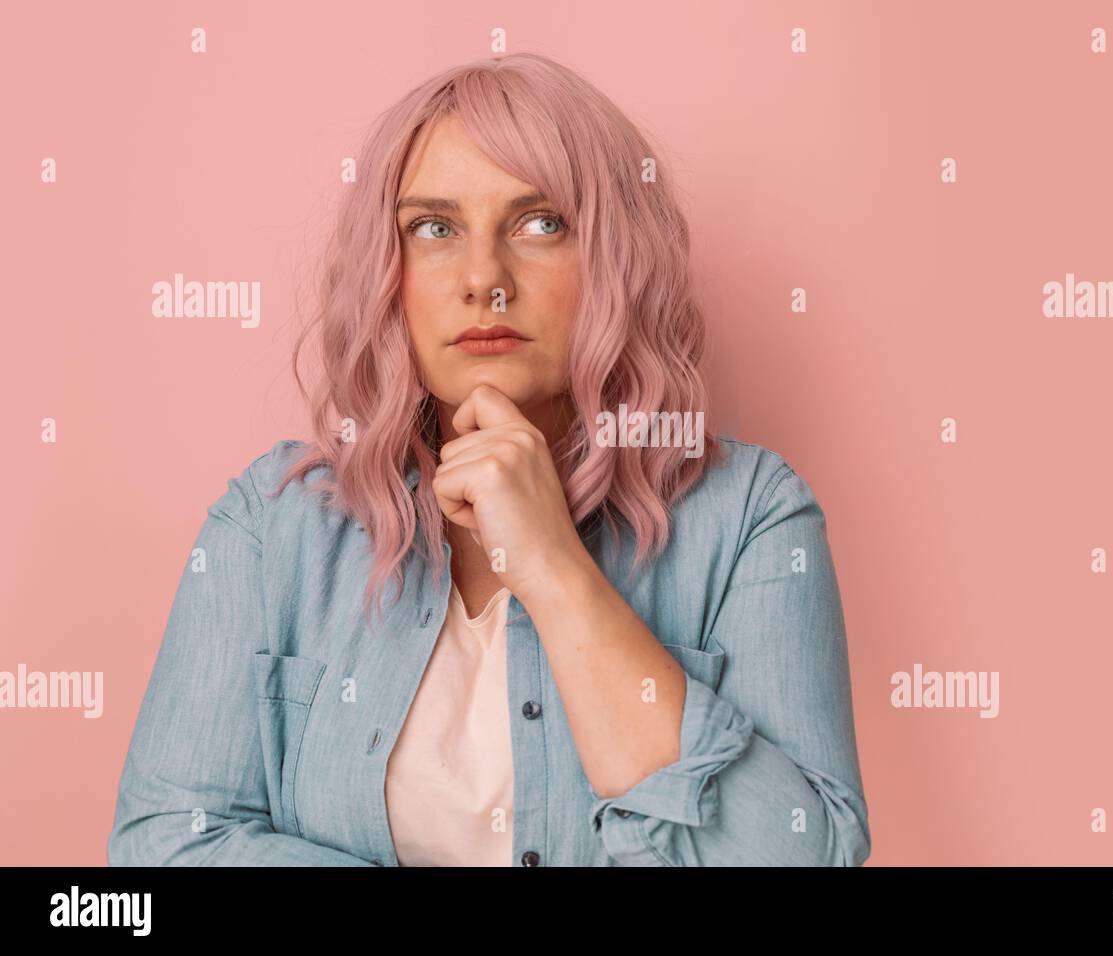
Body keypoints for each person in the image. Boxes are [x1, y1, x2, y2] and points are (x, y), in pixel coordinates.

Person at [107, 51, 871, 867]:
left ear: (615, 260)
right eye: (434, 229)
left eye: (541, 223)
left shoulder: (752, 516)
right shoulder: (273, 524)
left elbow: (802, 856)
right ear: (388, 273)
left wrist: (552, 566)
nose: (484, 280)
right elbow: (166, 847)